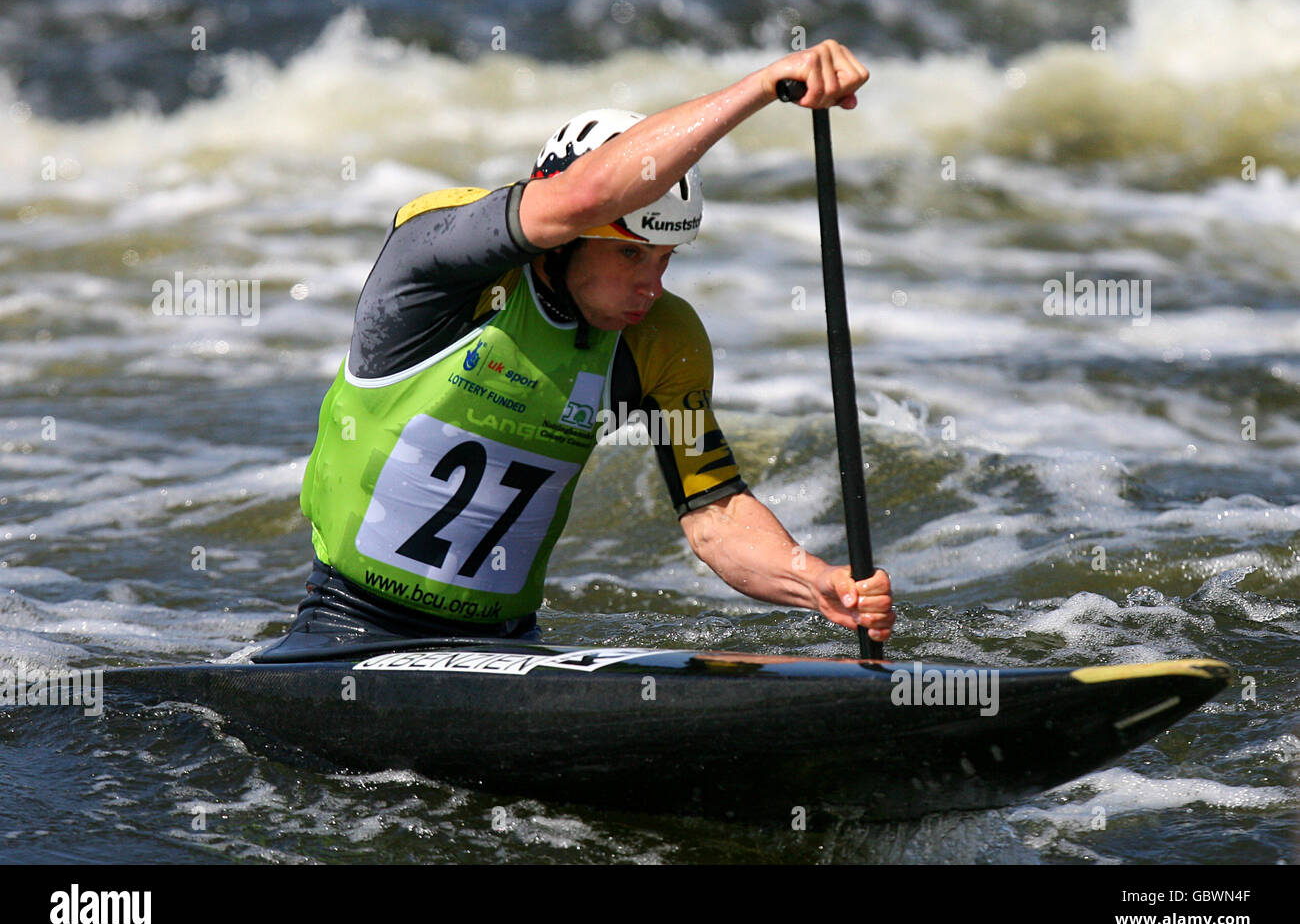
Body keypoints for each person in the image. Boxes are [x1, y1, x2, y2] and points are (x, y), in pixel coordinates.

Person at [261, 40, 893, 662]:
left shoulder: (659, 339)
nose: (651, 285)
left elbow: (715, 515)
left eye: (664, 259)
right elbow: (579, 198)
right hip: (348, 630)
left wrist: (812, 579)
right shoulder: (439, 265)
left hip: (507, 650)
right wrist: (765, 85)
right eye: (629, 254)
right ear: (565, 242)